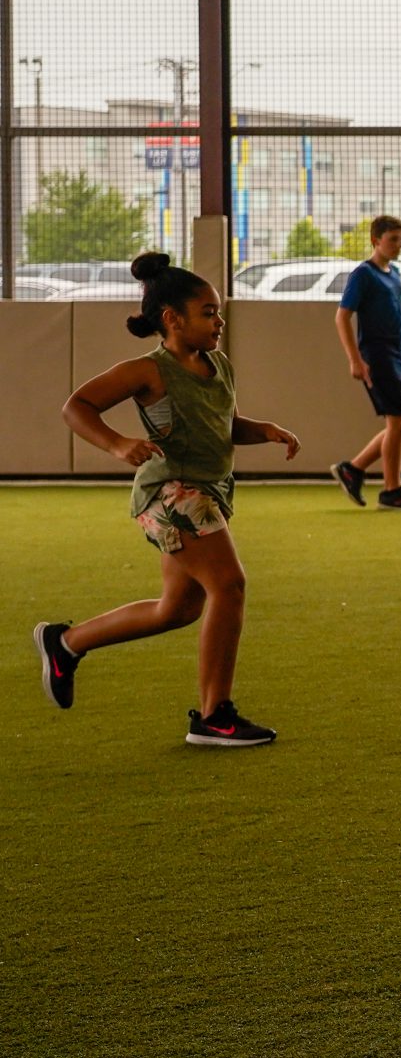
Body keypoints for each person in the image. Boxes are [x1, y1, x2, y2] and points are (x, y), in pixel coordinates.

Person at [36, 253, 300, 746]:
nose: (219, 321)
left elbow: (223, 426)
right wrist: (118, 444)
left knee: (176, 610)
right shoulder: (147, 371)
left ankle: (66, 643)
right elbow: (77, 407)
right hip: (170, 492)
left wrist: (262, 431)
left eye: (218, 312)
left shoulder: (218, 364)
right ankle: (214, 716)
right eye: (208, 312)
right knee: (231, 585)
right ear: (172, 319)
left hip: (208, 491)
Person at [329, 215, 401, 510]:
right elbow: (342, 317)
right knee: (398, 421)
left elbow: (399, 315)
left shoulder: (394, 272)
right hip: (378, 357)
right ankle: (392, 491)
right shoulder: (363, 275)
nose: (398, 245)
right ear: (376, 241)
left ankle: (354, 469)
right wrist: (356, 360)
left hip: (398, 357)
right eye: (392, 239)